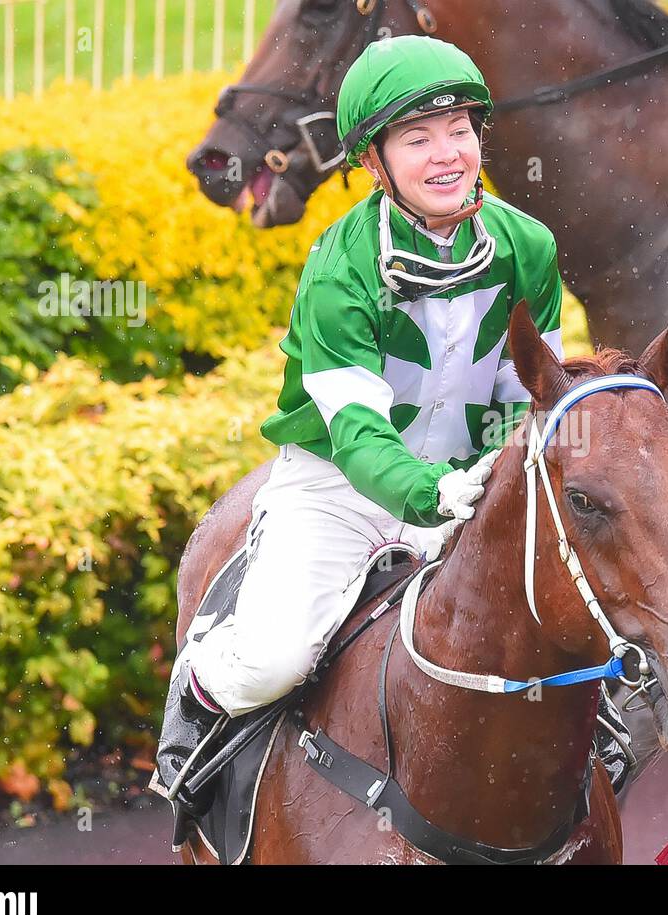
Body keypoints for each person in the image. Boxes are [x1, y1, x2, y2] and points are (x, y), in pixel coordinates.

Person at [154, 36, 585, 808]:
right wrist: (431, 495)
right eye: (417, 139)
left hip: (473, 482)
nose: (447, 154)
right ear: (376, 165)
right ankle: (196, 704)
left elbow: (531, 392)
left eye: (459, 129)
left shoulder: (529, 247)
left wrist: (494, 470)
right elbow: (357, 435)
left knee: (572, 630)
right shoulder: (338, 269)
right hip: (340, 488)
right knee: (276, 660)